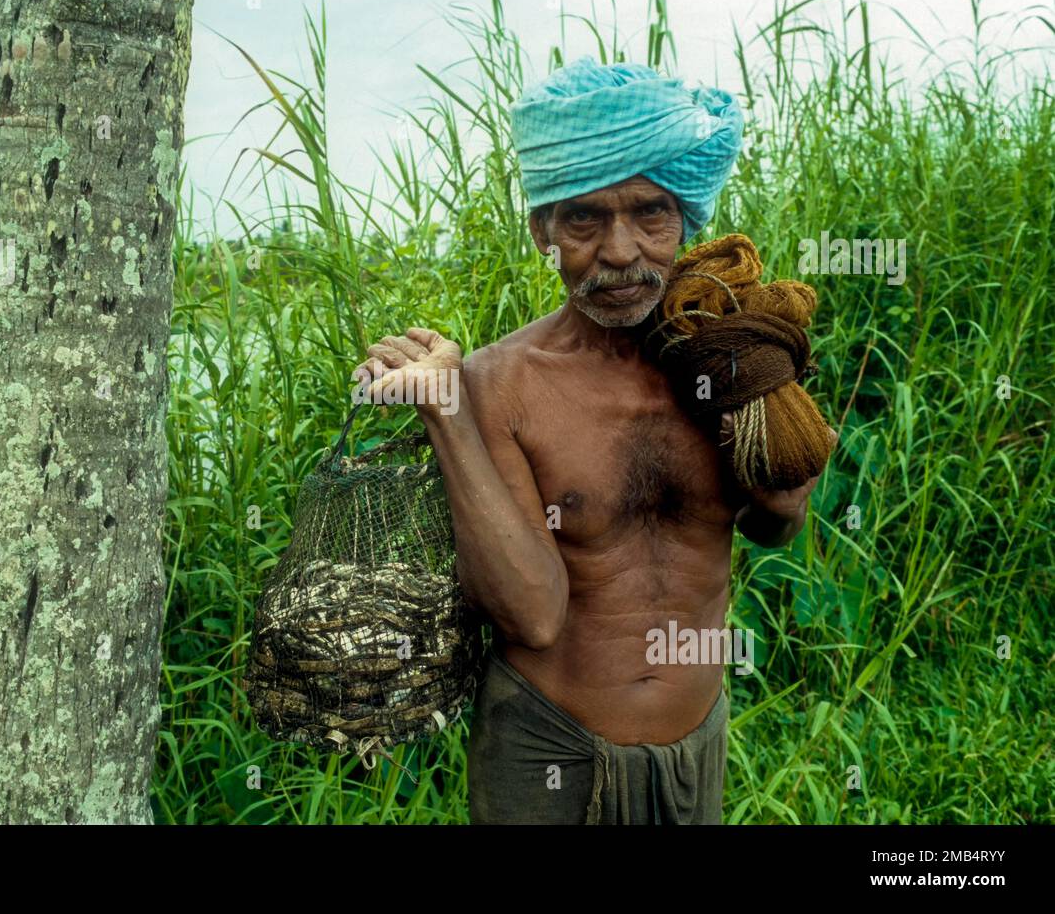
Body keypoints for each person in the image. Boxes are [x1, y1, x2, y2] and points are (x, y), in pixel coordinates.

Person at [352, 58, 834, 824]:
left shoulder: (729, 357)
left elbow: (771, 529)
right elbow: (532, 614)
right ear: (543, 229)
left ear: (686, 219)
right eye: (584, 219)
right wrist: (445, 414)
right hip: (548, 749)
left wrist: (784, 496)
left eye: (650, 214)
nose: (620, 252)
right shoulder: (499, 386)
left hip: (696, 744)